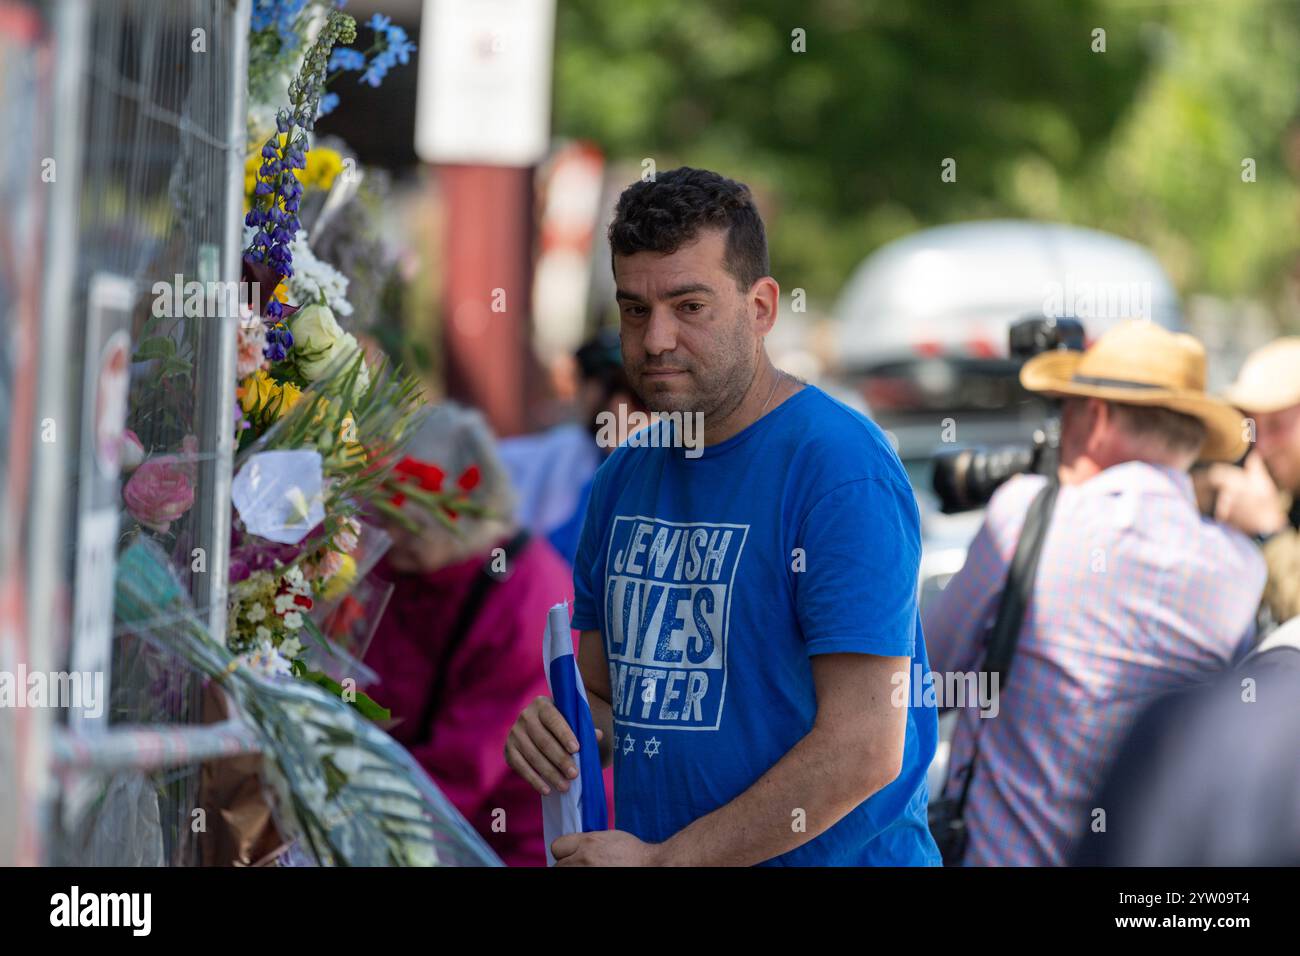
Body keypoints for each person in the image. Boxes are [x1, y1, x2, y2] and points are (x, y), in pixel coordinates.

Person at [504, 167, 941, 866]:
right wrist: (562, 729)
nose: (654, 341)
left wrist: (664, 861)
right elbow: (606, 697)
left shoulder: (838, 467)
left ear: (761, 307)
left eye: (690, 305)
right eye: (635, 309)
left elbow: (864, 748)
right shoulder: (622, 477)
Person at [923, 320, 1267, 866]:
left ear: (1098, 416)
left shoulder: (1028, 513)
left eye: (1068, 407)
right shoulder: (1240, 568)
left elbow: (929, 683)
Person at [365, 404, 576, 866]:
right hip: (417, 816)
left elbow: (460, 770)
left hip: (506, 843)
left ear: (461, 514)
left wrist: (348, 819)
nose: (386, 539)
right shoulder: (405, 564)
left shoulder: (526, 596)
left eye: (407, 525)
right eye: (378, 517)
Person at [498, 330, 646, 558]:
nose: (620, 409)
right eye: (612, 390)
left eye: (638, 399)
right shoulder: (569, 454)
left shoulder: (668, 468)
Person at [1200, 337, 1300, 626]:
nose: (1263, 445)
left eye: (1277, 425)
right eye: (1254, 426)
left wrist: (1269, 529)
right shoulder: (1283, 491)